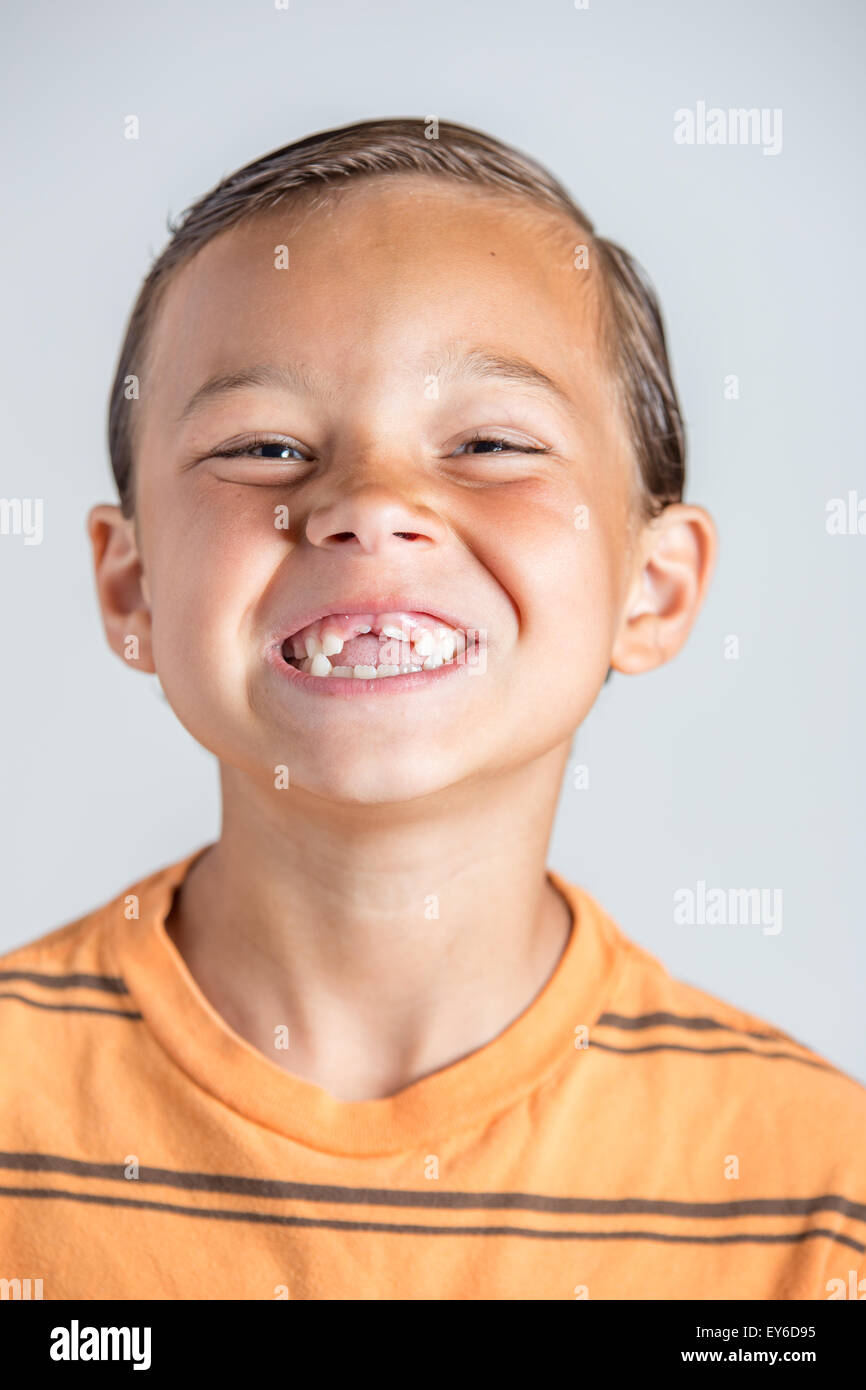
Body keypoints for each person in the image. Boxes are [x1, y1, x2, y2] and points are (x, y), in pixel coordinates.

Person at [1, 118, 862, 1301]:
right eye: (264, 446)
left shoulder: (814, 1187)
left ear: (650, 589)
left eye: (491, 442)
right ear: (131, 584)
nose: (370, 504)